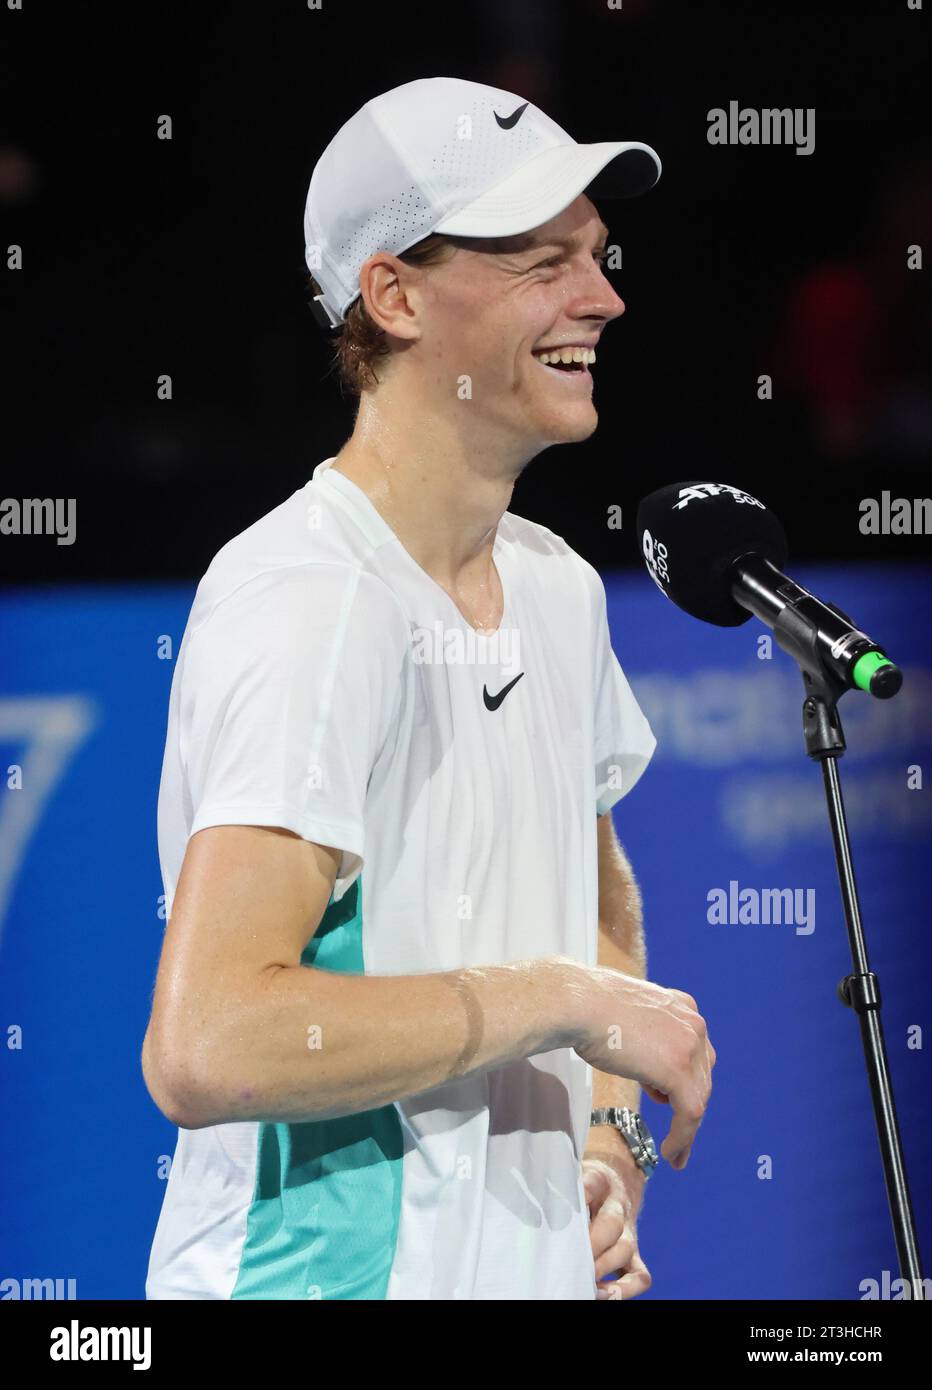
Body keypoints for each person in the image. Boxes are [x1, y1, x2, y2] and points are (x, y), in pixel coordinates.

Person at [142, 76, 715, 1302]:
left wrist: (607, 1142)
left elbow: (593, 901)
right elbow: (209, 1042)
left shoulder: (558, 589)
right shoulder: (313, 597)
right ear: (392, 295)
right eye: (540, 262)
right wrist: (554, 999)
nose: (602, 298)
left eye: (598, 256)